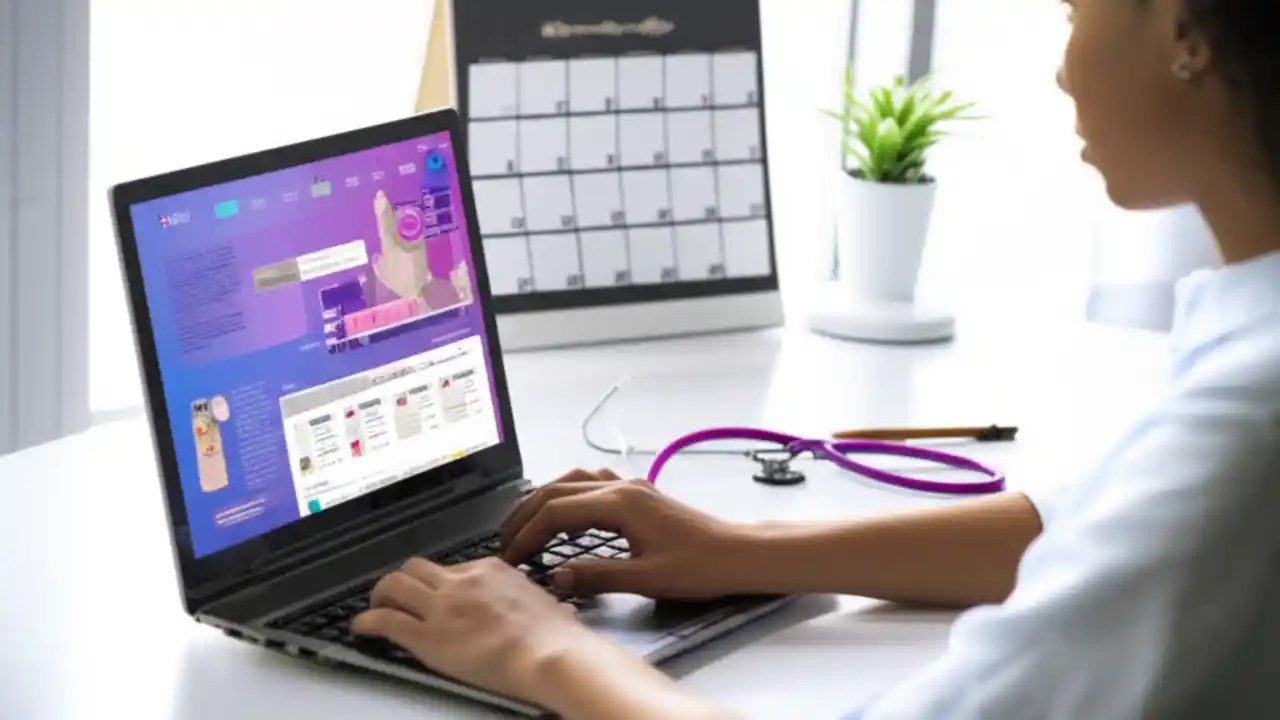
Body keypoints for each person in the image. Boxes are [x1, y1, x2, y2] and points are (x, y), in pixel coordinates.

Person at [350, 1, 1280, 717]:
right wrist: (741, 549)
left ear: (1183, 28)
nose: (1063, 72)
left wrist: (539, 652)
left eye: (1077, 13)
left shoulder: (1245, 430)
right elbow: (1078, 529)